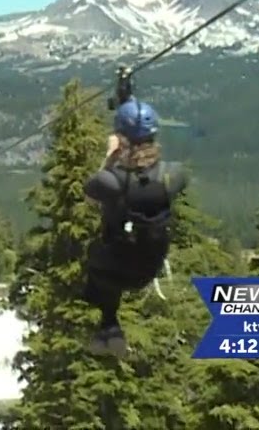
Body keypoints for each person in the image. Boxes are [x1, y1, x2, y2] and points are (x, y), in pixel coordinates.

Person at [81, 98, 189, 356]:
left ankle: (109, 325)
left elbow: (89, 193)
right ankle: (108, 329)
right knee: (111, 255)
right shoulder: (173, 175)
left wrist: (110, 157)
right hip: (150, 265)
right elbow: (149, 179)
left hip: (116, 266)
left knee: (95, 252)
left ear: (123, 141)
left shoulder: (112, 181)